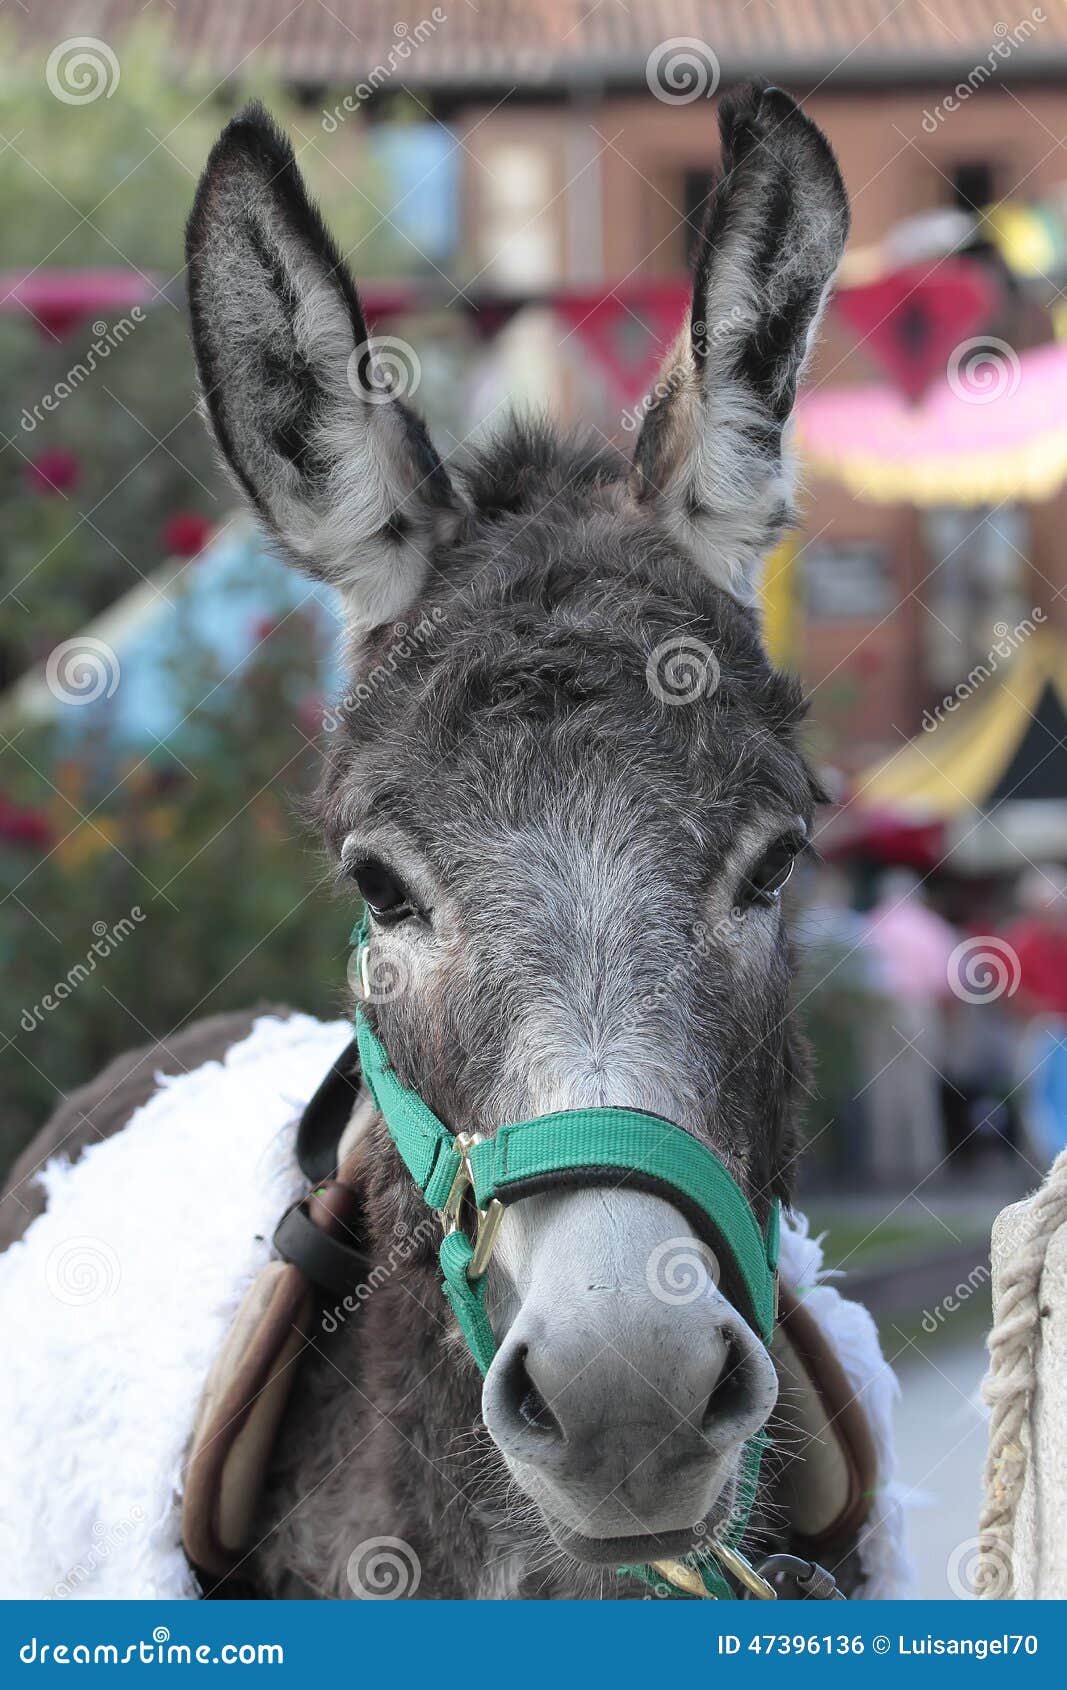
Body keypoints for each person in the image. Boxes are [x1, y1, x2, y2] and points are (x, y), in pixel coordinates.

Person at [1003, 866, 1067, 1164]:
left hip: (1057, 1029)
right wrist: (1041, 1010)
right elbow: (1013, 994)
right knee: (1040, 1102)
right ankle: (1050, 1162)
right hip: (1041, 1031)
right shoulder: (1022, 942)